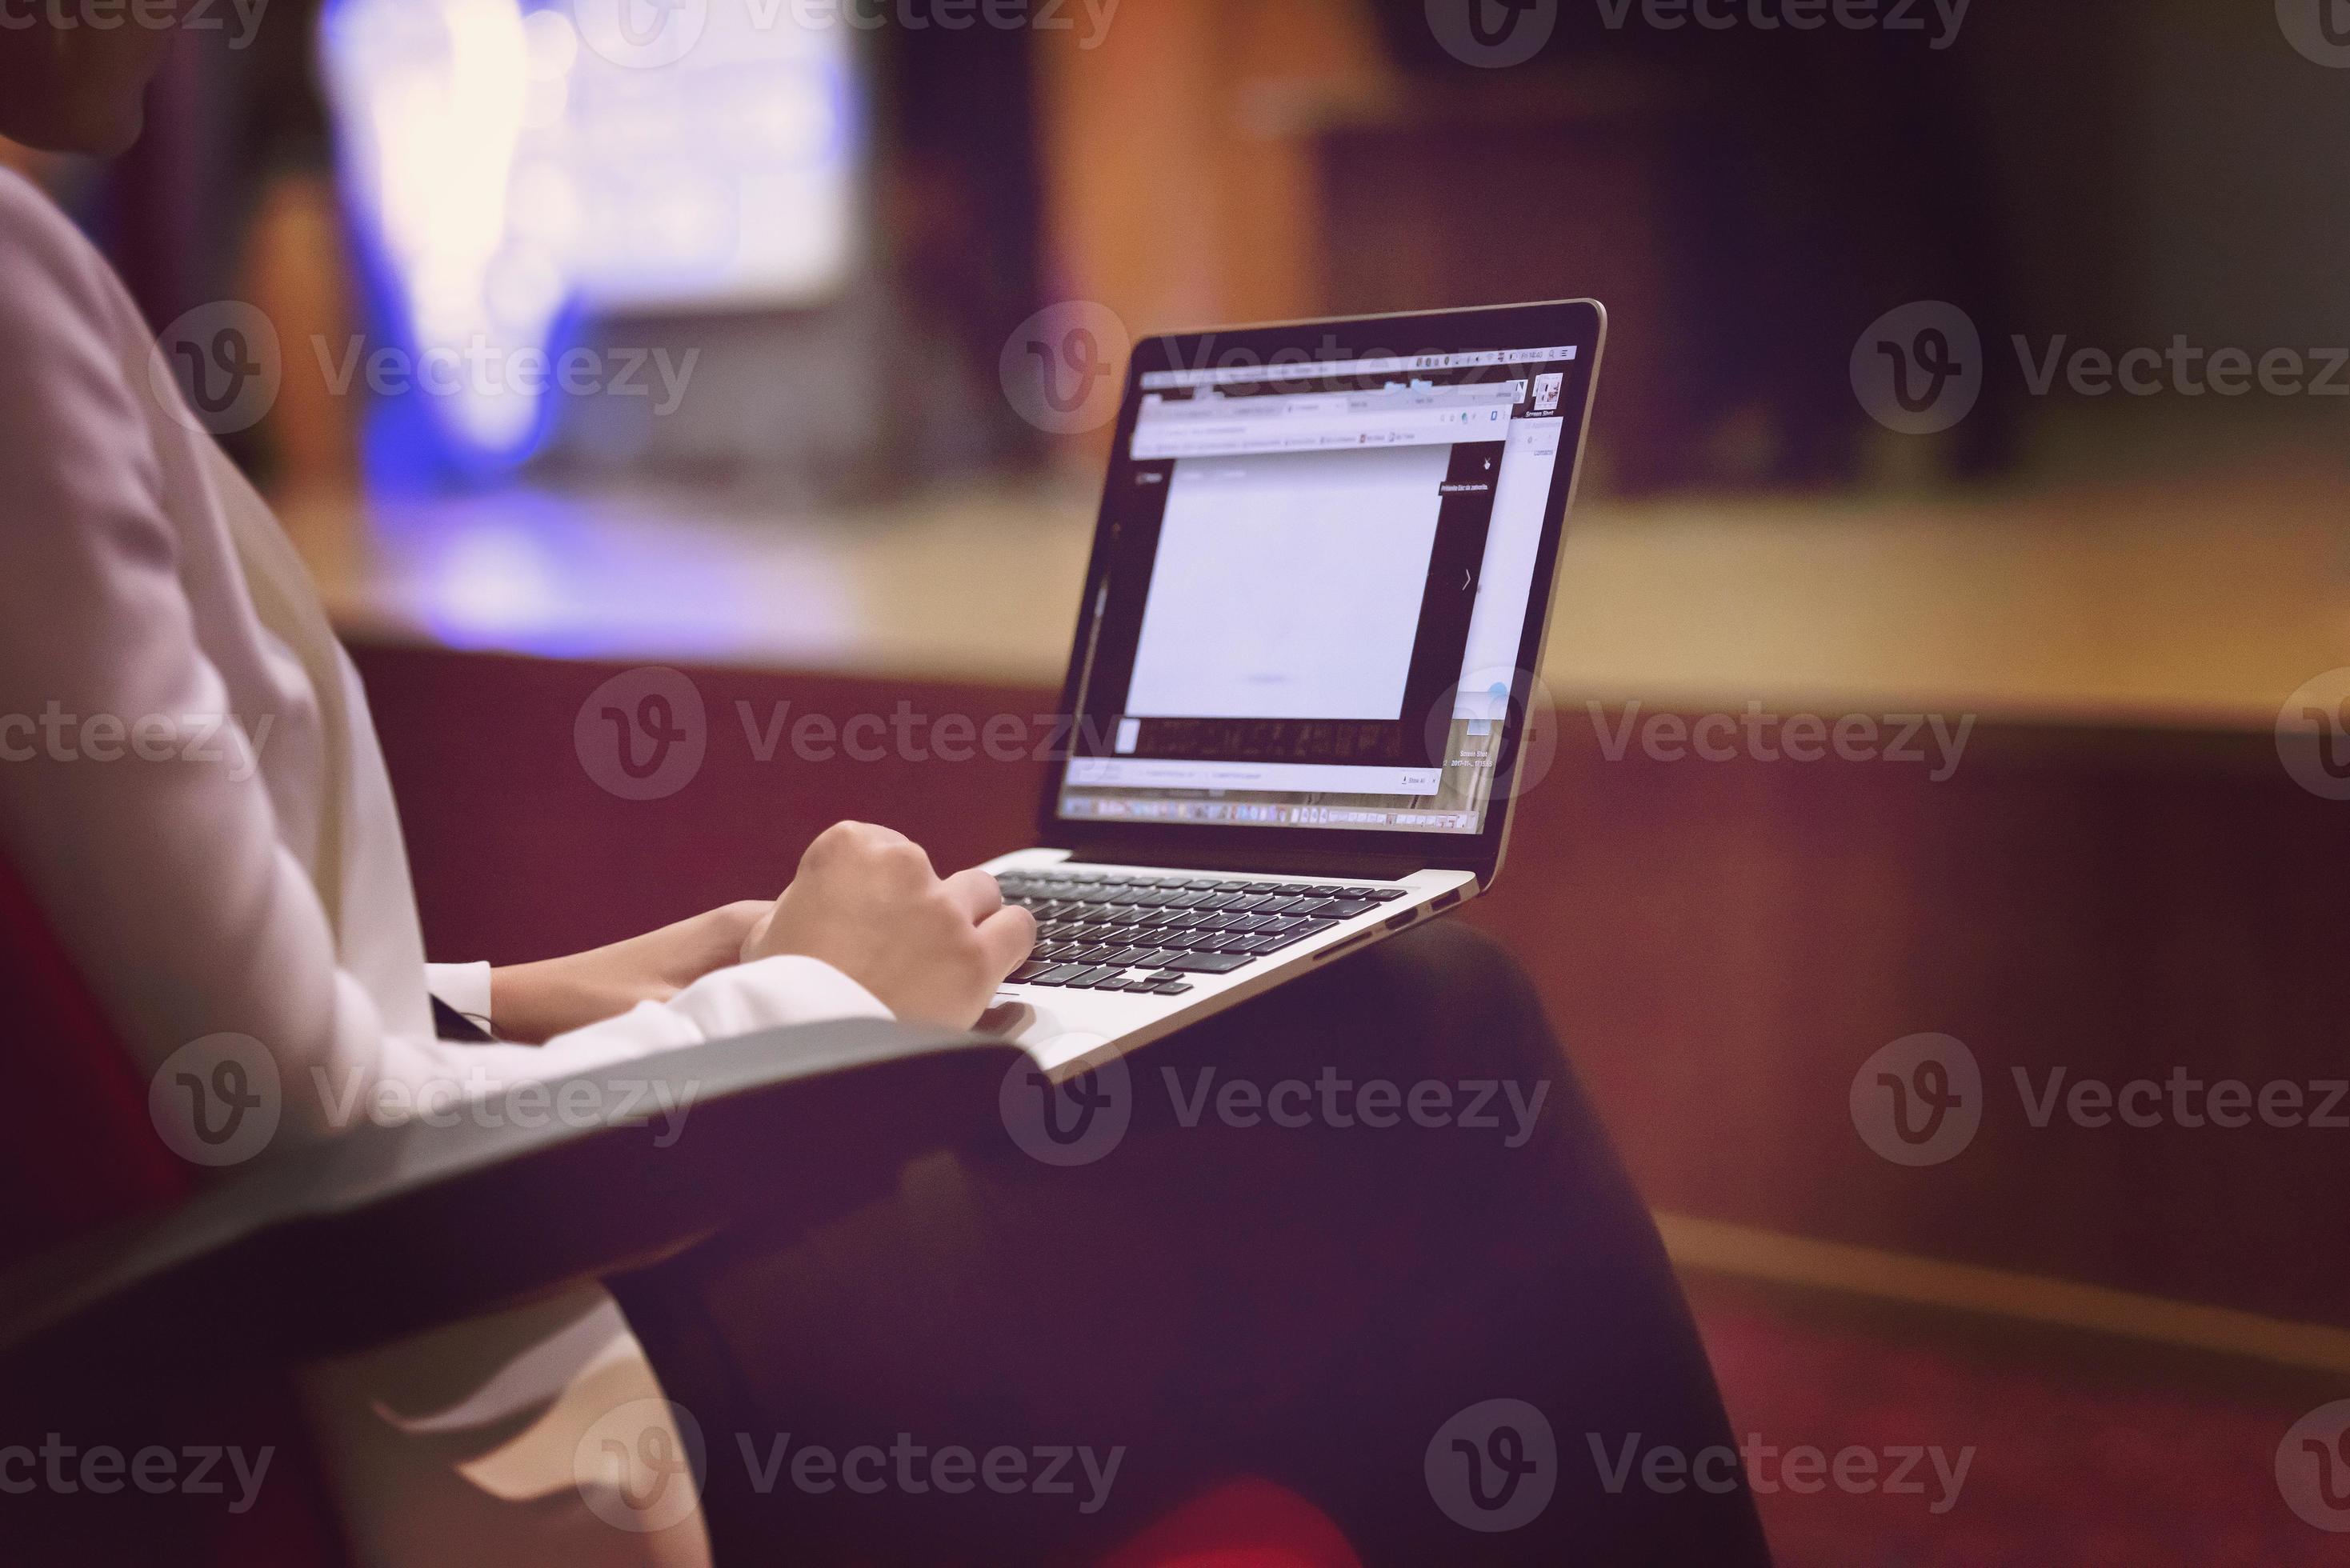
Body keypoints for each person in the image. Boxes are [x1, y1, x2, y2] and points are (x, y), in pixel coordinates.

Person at [0, 13, 1769, 1564]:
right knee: (1417, 1026)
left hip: (345, 1302)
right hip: (467, 1375)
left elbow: (150, 1012)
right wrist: (817, 1002)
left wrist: (530, 994)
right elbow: (316, 1151)